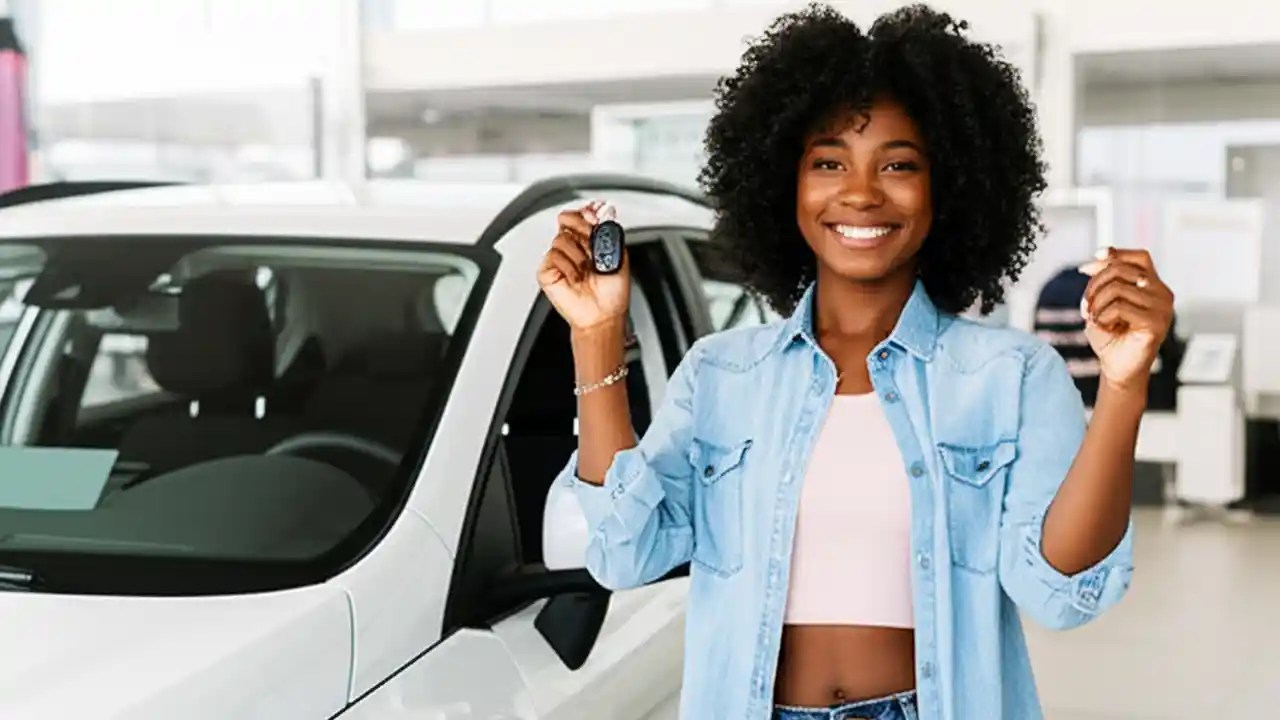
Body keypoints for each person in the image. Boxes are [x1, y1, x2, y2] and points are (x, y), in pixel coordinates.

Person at [537, 5, 1175, 719]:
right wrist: (595, 335)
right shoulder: (722, 374)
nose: (862, 192)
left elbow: (1060, 593)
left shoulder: (1011, 376)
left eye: (898, 164)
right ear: (785, 182)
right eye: (828, 162)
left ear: (948, 185)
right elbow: (624, 553)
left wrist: (1125, 386)